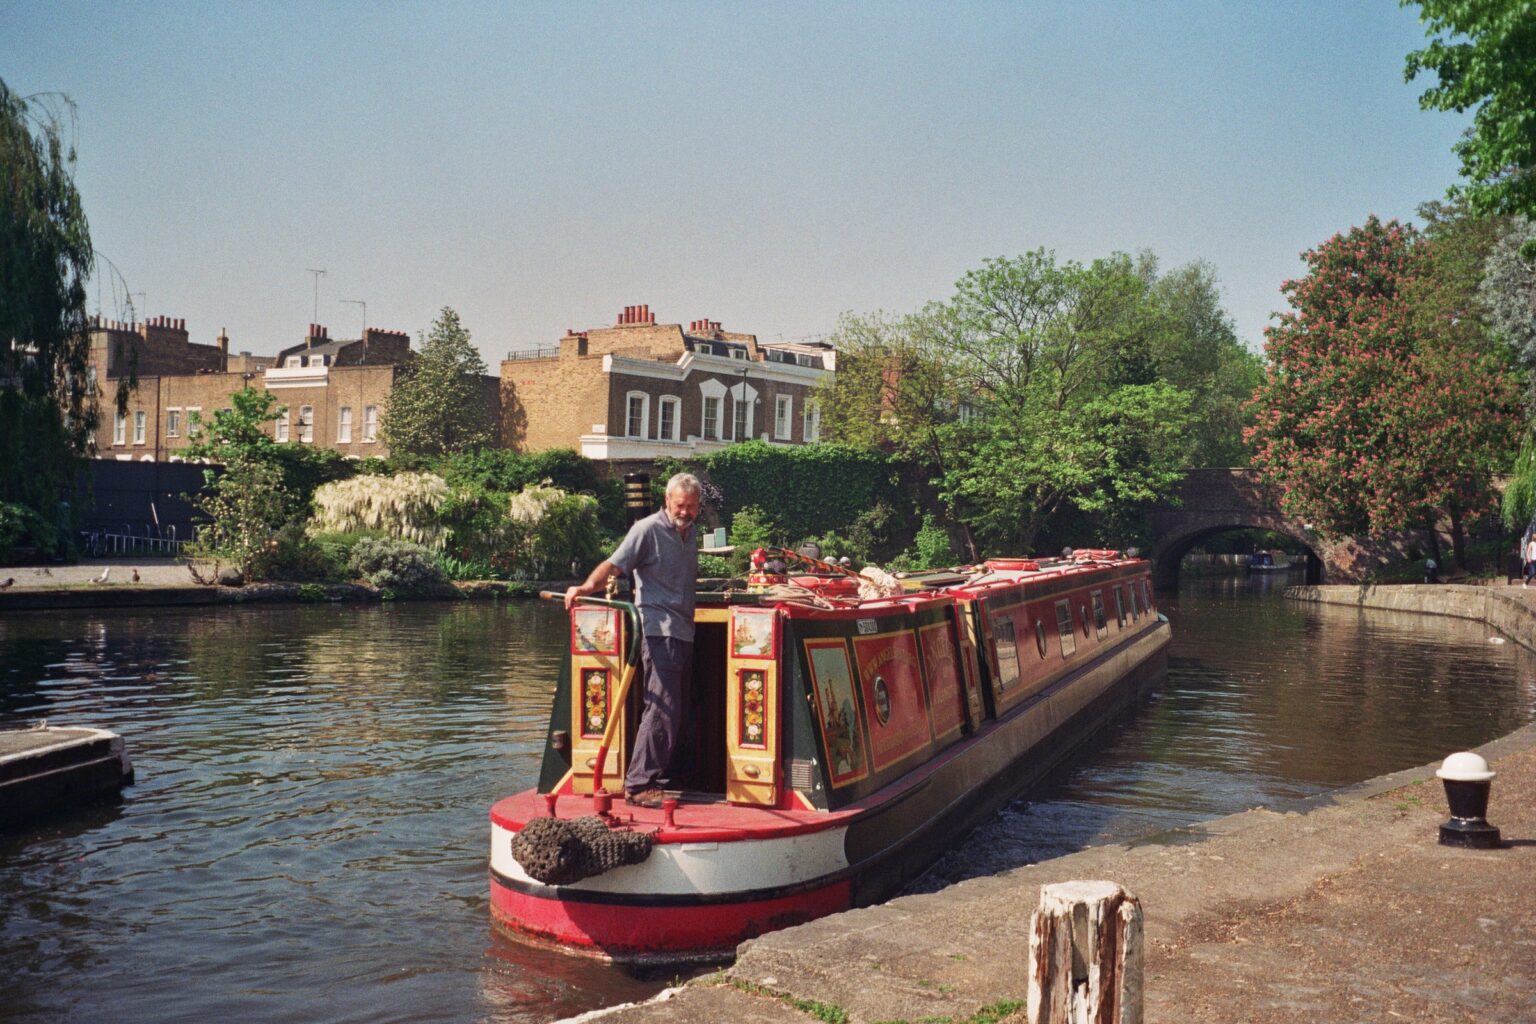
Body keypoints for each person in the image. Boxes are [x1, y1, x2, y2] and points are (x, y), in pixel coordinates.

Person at [565, 473, 701, 808]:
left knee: (675, 709)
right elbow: (614, 565)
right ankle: (639, 784)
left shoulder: (691, 532)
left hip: (683, 630)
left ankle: (661, 776)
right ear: (667, 501)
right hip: (658, 629)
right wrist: (584, 589)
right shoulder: (647, 530)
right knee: (663, 708)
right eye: (680, 505)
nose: (685, 512)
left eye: (692, 507)